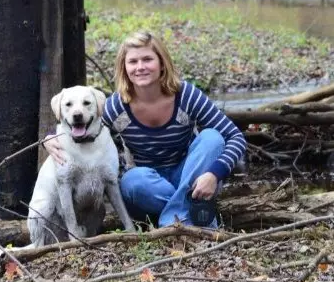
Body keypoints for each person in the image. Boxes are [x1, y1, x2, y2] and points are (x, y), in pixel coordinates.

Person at [44, 31, 246, 229]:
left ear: (161, 63)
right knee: (132, 181)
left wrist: (214, 174)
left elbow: (235, 137)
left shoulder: (185, 95)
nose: (140, 67)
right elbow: (85, 126)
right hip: (149, 190)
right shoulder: (117, 106)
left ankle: (172, 221)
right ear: (124, 67)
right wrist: (51, 138)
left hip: (191, 176)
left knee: (212, 138)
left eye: (147, 59)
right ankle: (193, 211)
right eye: (133, 62)